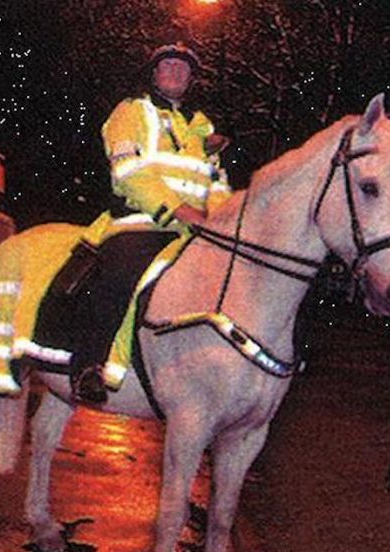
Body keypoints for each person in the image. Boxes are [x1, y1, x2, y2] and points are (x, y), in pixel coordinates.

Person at [69, 41, 233, 403]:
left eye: (183, 68)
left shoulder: (203, 130)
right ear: (154, 74)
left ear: (192, 79)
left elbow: (217, 183)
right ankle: (89, 365)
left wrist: (221, 219)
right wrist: (179, 210)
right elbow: (129, 174)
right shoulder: (131, 112)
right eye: (167, 66)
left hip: (193, 231)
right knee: (121, 276)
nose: (175, 71)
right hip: (140, 223)